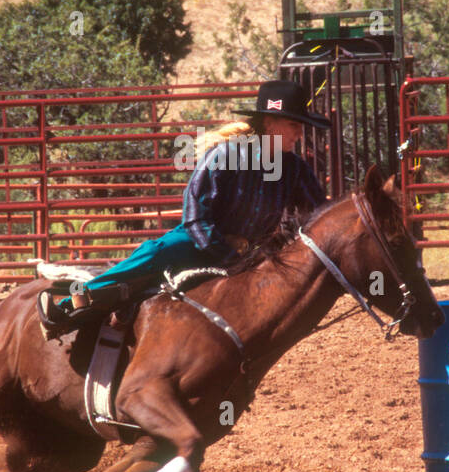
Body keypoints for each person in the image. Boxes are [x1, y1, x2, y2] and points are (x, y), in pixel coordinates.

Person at [38, 79, 329, 336]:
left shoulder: (294, 169)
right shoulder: (225, 155)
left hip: (252, 256)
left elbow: (318, 215)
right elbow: (195, 217)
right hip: (200, 244)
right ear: (269, 124)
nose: (299, 134)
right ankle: (72, 303)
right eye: (294, 125)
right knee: (157, 252)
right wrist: (229, 255)